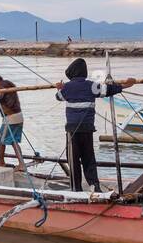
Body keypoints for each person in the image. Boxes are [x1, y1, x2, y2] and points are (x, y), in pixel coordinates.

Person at [54, 57, 136, 191]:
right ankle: (95, 185)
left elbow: (58, 97)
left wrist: (59, 88)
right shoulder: (92, 86)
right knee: (88, 158)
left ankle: (76, 188)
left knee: (73, 160)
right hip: (87, 128)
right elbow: (111, 89)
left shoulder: (67, 87)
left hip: (72, 129)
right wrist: (127, 84)